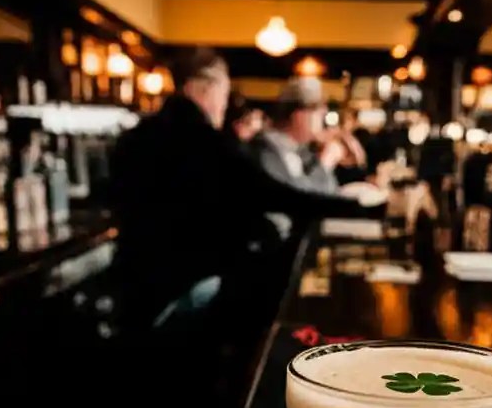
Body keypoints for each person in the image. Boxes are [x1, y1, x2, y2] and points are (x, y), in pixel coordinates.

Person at [108, 48, 364, 331]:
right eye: (224, 92)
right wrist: (361, 207)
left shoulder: (133, 138)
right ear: (203, 88)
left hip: (133, 283)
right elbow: (277, 196)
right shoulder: (207, 143)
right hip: (182, 289)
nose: (224, 103)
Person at [249, 78, 364, 196]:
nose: (324, 114)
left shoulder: (302, 151)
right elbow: (301, 201)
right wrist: (326, 162)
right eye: (318, 109)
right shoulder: (265, 151)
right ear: (300, 115)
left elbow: (328, 194)